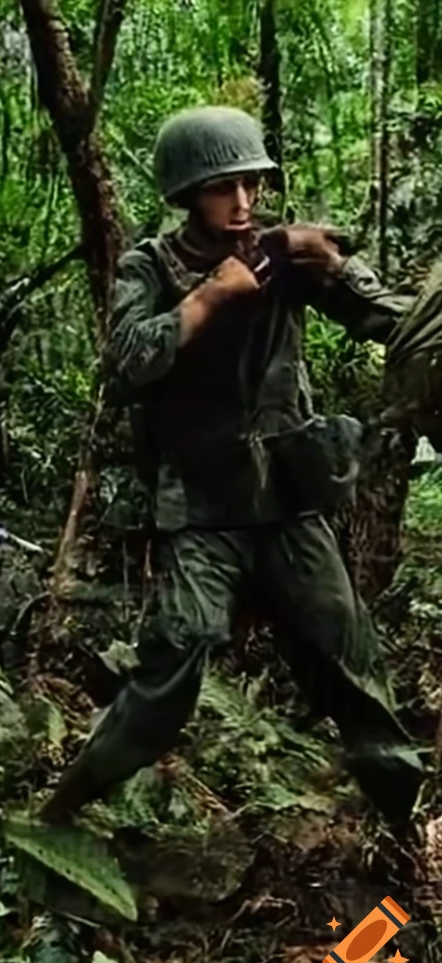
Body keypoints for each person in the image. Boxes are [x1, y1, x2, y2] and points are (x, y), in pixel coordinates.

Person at [41, 106, 426, 827]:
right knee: (172, 665)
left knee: (353, 662)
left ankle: (404, 831)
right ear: (189, 194)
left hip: (287, 501)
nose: (243, 202)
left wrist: (332, 265)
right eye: (225, 188)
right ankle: (62, 809)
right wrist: (212, 295)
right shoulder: (149, 266)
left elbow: (382, 318)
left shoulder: (280, 253)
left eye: (251, 185)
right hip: (201, 511)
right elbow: (127, 362)